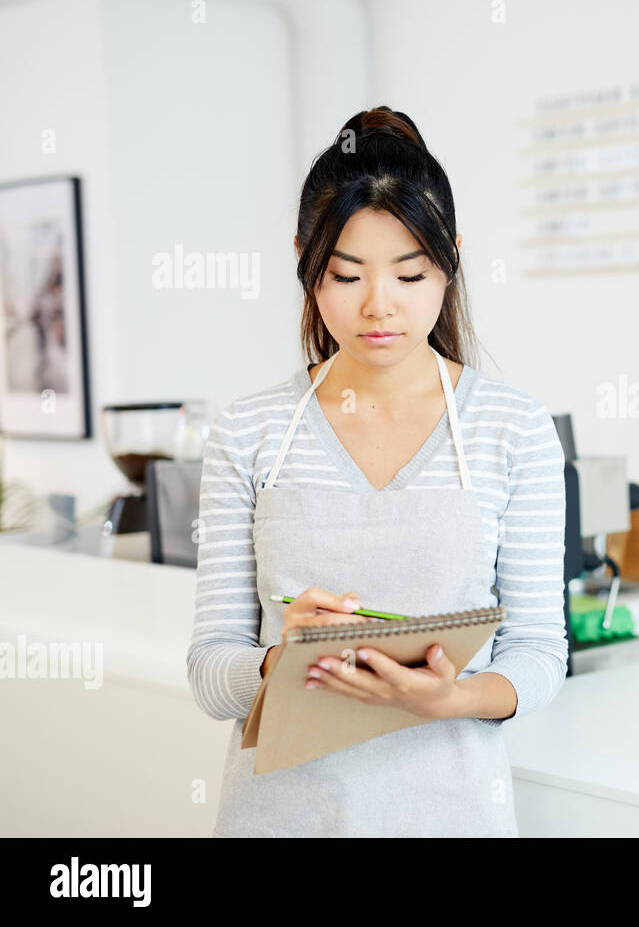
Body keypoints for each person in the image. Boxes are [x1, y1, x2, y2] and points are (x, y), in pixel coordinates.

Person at [186, 106, 568, 836]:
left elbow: (540, 654)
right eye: (345, 274)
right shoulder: (249, 430)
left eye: (409, 273)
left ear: (450, 259)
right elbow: (210, 668)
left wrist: (450, 699)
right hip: (279, 816)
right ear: (305, 261)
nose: (378, 306)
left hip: (451, 811)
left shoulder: (511, 429)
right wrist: (276, 662)